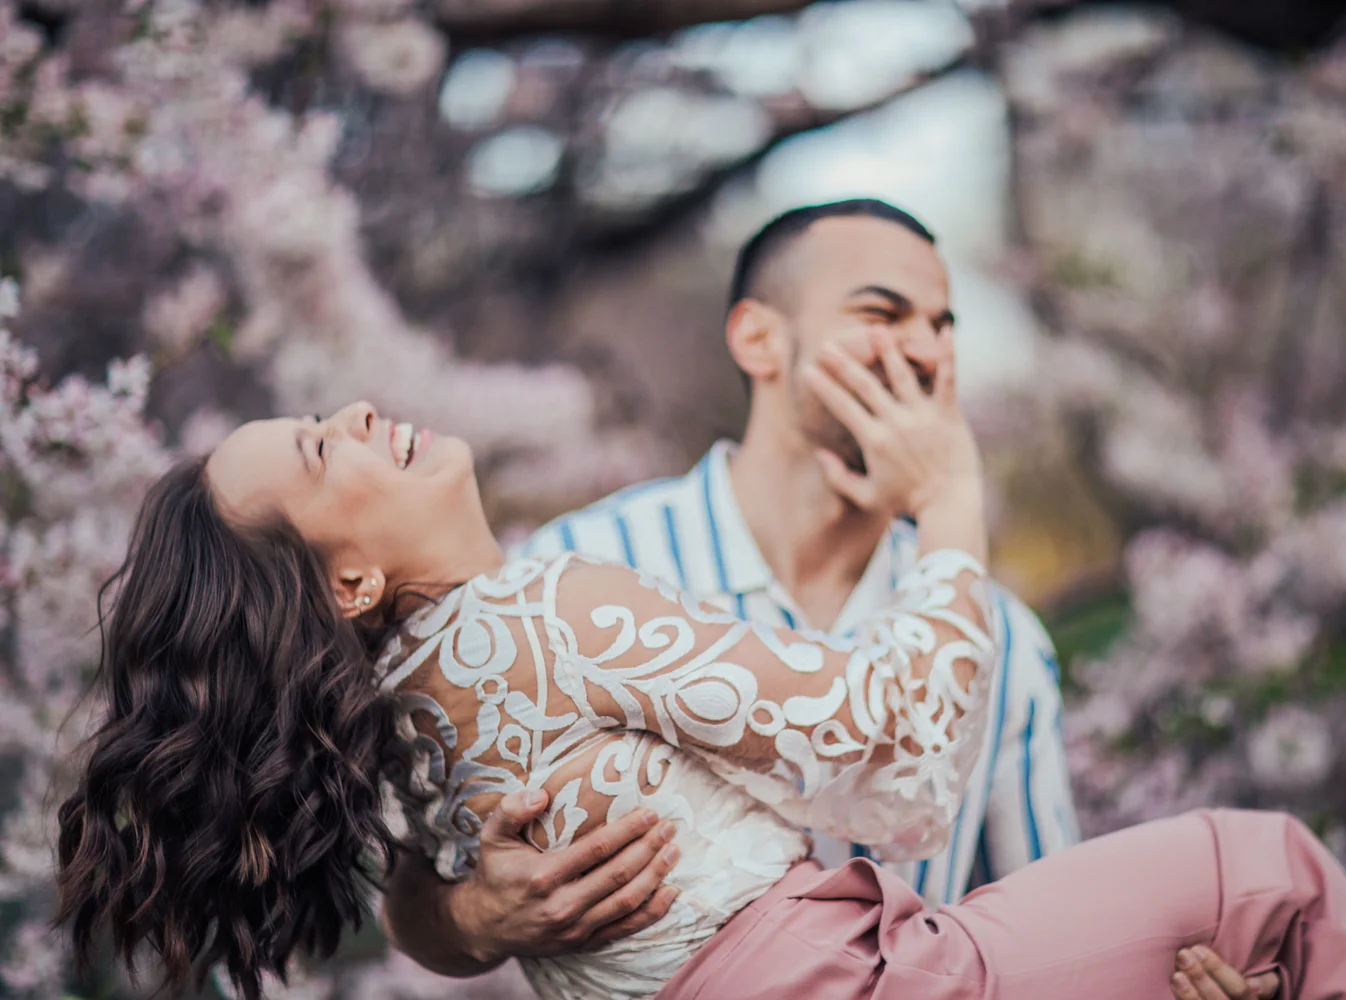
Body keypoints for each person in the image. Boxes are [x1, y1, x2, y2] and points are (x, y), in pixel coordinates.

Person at [56, 357, 1346, 997]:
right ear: (346, 583)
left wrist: (456, 910)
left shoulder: (407, 712)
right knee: (1264, 864)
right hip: (879, 981)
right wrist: (955, 501)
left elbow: (431, 897)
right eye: (320, 450)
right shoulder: (558, 606)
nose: (355, 411)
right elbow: (890, 734)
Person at [381, 200, 1089, 987]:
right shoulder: (570, 570)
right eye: (882, 313)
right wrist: (472, 918)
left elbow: (1046, 927)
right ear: (759, 338)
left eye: (943, 324)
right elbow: (410, 883)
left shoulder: (1002, 637)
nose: (925, 350)